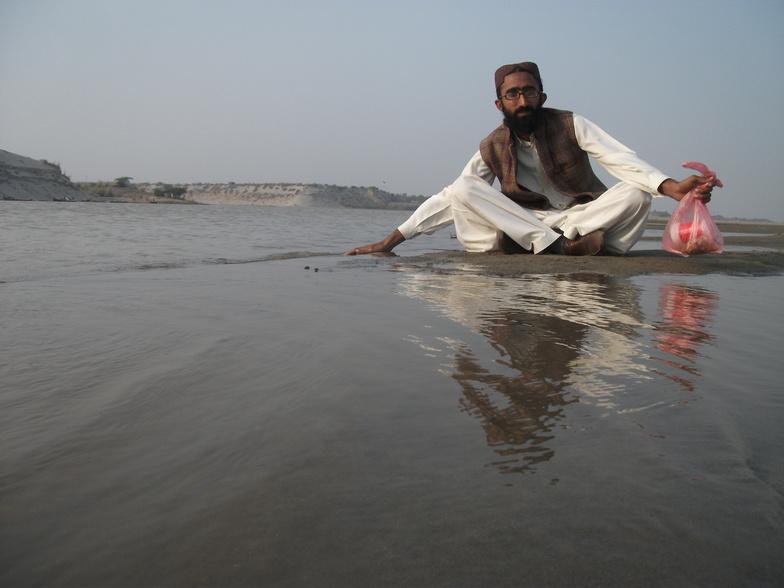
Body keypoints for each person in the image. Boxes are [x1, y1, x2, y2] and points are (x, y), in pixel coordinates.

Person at [346, 61, 717, 257]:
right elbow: (454, 197)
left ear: (541, 95)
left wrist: (671, 188)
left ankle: (554, 243)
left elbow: (619, 158)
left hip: (578, 218)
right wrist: (390, 241)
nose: (522, 101)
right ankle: (559, 246)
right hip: (527, 221)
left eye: (529, 92)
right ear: (499, 103)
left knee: (637, 195)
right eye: (513, 95)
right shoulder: (493, 144)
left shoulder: (570, 124)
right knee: (464, 187)